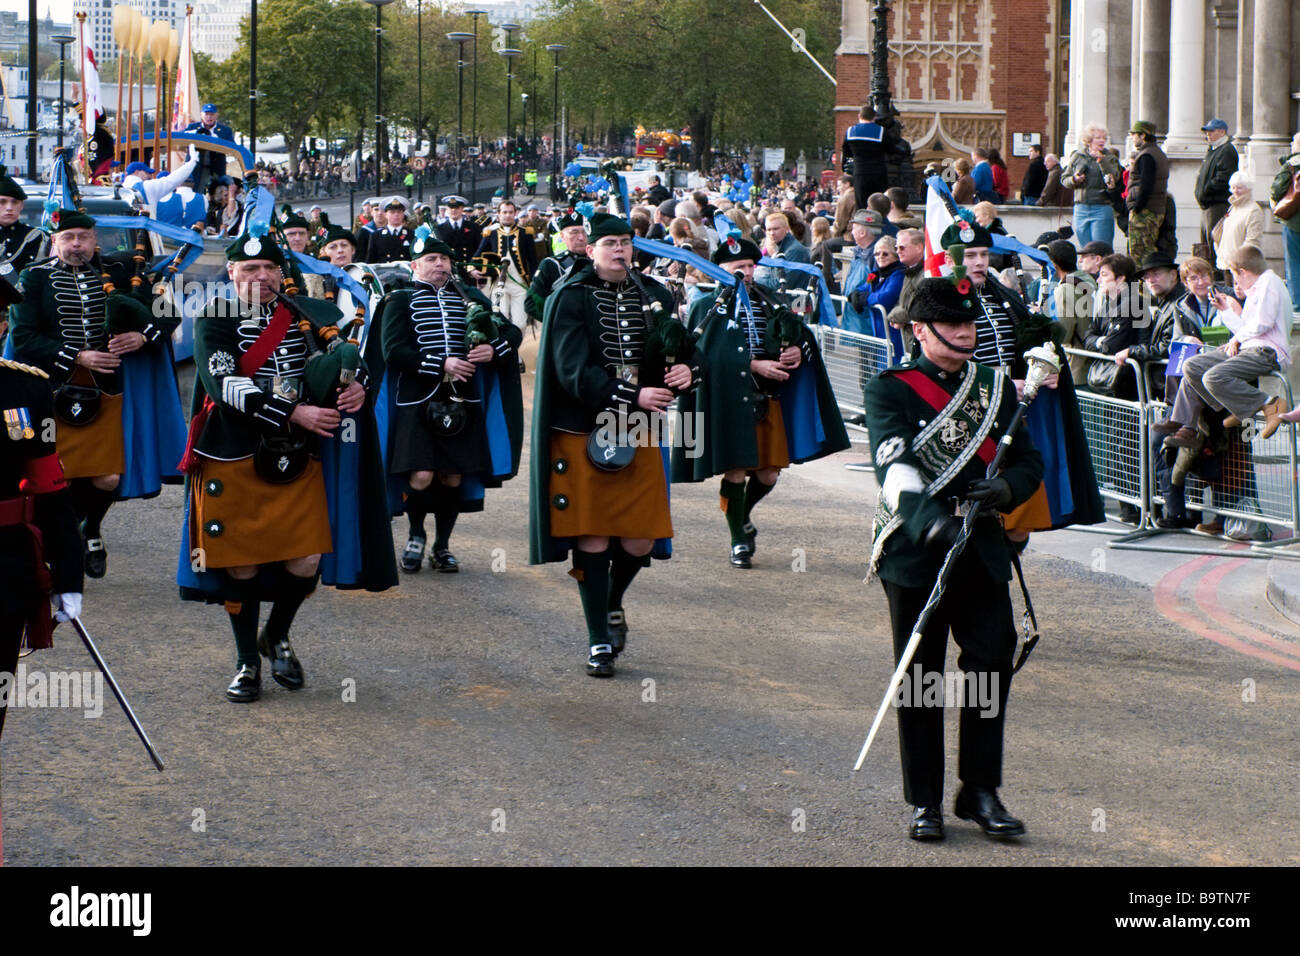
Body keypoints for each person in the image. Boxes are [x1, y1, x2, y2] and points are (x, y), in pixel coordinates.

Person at [180, 225, 395, 702]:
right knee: (241, 565)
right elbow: (224, 386)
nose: (260, 276)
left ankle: (276, 634)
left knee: (305, 559)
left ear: (281, 271)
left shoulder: (310, 311)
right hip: (235, 451)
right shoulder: (214, 316)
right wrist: (291, 411)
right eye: (249, 268)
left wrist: (357, 386)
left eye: (268, 268)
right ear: (232, 273)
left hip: (299, 455)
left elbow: (348, 360)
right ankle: (244, 661)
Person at [863, 276, 1044, 841]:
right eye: (953, 324)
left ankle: (980, 790)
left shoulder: (996, 388)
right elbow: (894, 470)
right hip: (918, 548)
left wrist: (1007, 489)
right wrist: (932, 525)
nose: (967, 332)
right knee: (921, 676)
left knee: (991, 661)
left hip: (981, 546)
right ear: (920, 330)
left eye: (970, 323)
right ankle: (926, 799)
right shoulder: (890, 388)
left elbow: (1030, 463)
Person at [528, 212, 701, 677]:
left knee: (640, 540)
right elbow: (571, 371)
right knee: (594, 535)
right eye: (610, 243)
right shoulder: (568, 297)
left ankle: (612, 601)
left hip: (639, 430)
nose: (620, 250)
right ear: (590, 249)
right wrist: (632, 394)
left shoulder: (658, 294)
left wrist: (688, 373)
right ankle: (598, 640)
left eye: (625, 241)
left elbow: (684, 351)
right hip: (583, 428)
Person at [8, 209, 184, 579]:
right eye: (68, 238)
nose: (76, 245)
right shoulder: (34, 278)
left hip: (106, 391)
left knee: (107, 478)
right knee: (63, 475)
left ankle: (89, 529)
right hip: (53, 389)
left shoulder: (121, 273)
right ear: (55, 242)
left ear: (94, 240)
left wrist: (142, 336)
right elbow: (23, 339)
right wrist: (77, 355)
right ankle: (69, 538)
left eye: (83, 238)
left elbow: (168, 314)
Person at [672, 235, 848, 567]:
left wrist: (797, 348)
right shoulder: (705, 307)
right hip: (727, 402)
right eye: (739, 267)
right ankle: (738, 540)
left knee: (768, 474)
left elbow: (799, 332)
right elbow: (700, 357)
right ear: (721, 269)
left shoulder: (770, 301)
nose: (747, 273)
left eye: (751, 266)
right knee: (736, 470)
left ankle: (743, 515)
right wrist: (752, 364)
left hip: (767, 399)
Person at [940, 220, 1103, 533]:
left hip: (1011, 411)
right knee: (967, 510)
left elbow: (1035, 336)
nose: (978, 262)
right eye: (969, 255)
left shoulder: (1001, 294)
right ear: (950, 260)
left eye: (983, 254)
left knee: (1018, 514)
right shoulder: (938, 297)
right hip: (966, 414)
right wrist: (998, 385)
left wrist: (1050, 364)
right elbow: (943, 363)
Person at [379, 230, 523, 573]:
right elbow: (392, 351)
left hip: (464, 399)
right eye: (431, 259)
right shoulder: (399, 300)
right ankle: (416, 534)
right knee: (421, 473)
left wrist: (494, 349)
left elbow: (512, 333)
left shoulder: (470, 296)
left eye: (444, 259)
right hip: (416, 400)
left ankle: (442, 545)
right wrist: (441, 363)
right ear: (415, 265)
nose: (440, 264)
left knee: (453, 476)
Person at [1165, 245, 1292, 445]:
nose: (1236, 283)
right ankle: (1239, 407)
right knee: (1192, 366)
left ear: (1242, 271)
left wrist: (1235, 338)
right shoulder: (1259, 287)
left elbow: (1262, 324)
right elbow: (1248, 326)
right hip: (1250, 348)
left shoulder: (1269, 283)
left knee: (1213, 377)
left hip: (1267, 351)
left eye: (1235, 276)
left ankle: (1271, 404)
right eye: (1193, 278)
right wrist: (1225, 311)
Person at [472, 200, 538, 331]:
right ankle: (508, 351)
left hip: (520, 285)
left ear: (515, 213)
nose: (508, 215)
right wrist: (472, 268)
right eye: (504, 212)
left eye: (510, 212)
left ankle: (516, 348)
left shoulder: (525, 233)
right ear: (498, 214)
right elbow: (478, 254)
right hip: (498, 284)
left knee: (520, 323)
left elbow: (533, 260)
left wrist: (535, 280)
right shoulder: (491, 233)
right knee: (500, 321)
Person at [1062, 122, 1122, 246]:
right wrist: (1074, 179)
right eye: (1098, 138)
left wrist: (1102, 161)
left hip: (1101, 207)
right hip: (1081, 208)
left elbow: (1114, 178)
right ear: (1089, 140)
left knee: (1101, 248)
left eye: (1104, 138)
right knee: (1086, 249)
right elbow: (1064, 179)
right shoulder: (1078, 156)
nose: (1102, 141)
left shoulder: (1109, 157)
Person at [526, 209, 587, 324]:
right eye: (574, 232)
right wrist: (560, 322)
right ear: (562, 236)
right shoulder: (551, 265)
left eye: (584, 232)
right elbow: (532, 303)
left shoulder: (599, 261)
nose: (581, 237)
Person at [1124, 121, 1170, 266]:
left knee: (1139, 254)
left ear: (1143, 135)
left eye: (1134, 135)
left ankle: (1142, 288)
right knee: (1147, 250)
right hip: (1153, 208)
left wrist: (1137, 207)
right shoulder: (1157, 153)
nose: (1132, 138)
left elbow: (1146, 184)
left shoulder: (1147, 155)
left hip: (1146, 210)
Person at [1195, 119, 1239, 264]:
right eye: (1207, 131)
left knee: (1214, 241)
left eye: (1211, 131)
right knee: (1206, 243)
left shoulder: (1226, 150)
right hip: (1208, 204)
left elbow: (1224, 177)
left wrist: (1206, 191)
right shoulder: (1213, 151)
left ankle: (1216, 276)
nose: (1208, 134)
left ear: (1222, 132)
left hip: (1217, 204)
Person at [1269, 135, 1300, 314]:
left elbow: (1277, 189)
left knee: (1295, 265)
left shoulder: (1293, 163)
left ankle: (1297, 308)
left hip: (1295, 222)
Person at [1214, 171, 1265, 274]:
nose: (1236, 191)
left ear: (1248, 188)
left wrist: (1239, 262)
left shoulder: (1254, 210)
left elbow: (1252, 241)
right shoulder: (1232, 208)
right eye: (1233, 187)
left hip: (1241, 268)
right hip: (1226, 264)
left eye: (1240, 187)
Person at [182, 103, 236, 195]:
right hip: (195, 167)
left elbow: (232, 148)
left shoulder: (225, 130)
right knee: (194, 191)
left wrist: (216, 139)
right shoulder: (192, 127)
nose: (209, 117)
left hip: (216, 168)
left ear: (217, 116)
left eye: (212, 114)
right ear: (201, 115)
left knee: (217, 193)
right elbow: (181, 139)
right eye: (206, 114)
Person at [0, 166, 44, 274]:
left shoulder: (37, 238)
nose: (9, 207)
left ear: (22, 206)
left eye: (14, 202)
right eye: (2, 202)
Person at [842, 104, 890, 203]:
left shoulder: (851, 131)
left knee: (862, 204)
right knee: (879, 203)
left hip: (860, 172)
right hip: (878, 172)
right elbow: (890, 149)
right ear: (874, 117)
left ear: (859, 116)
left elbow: (846, 152)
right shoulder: (881, 131)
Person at [755, 211, 811, 293]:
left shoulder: (794, 251)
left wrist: (755, 279)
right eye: (769, 230)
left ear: (787, 229)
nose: (772, 233)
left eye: (776, 229)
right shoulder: (782, 247)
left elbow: (780, 285)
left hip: (793, 301)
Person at [435, 195, 483, 266]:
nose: (453, 210)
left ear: (462, 209)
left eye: (457, 207)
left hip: (469, 267)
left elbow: (479, 249)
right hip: (448, 269)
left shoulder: (473, 227)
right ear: (447, 209)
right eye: (451, 207)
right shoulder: (439, 229)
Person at [364, 197, 413, 264]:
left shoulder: (412, 234)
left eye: (399, 212)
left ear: (403, 215)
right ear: (385, 214)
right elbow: (370, 261)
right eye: (392, 212)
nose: (396, 215)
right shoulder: (376, 236)